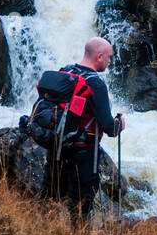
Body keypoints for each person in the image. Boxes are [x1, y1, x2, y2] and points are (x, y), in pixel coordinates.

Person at [40, 36, 125, 224]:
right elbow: (109, 127)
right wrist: (120, 124)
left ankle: (43, 233)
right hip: (84, 150)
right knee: (82, 201)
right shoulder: (95, 83)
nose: (110, 61)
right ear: (100, 56)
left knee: (51, 194)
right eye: (109, 57)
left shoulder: (65, 72)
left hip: (57, 144)